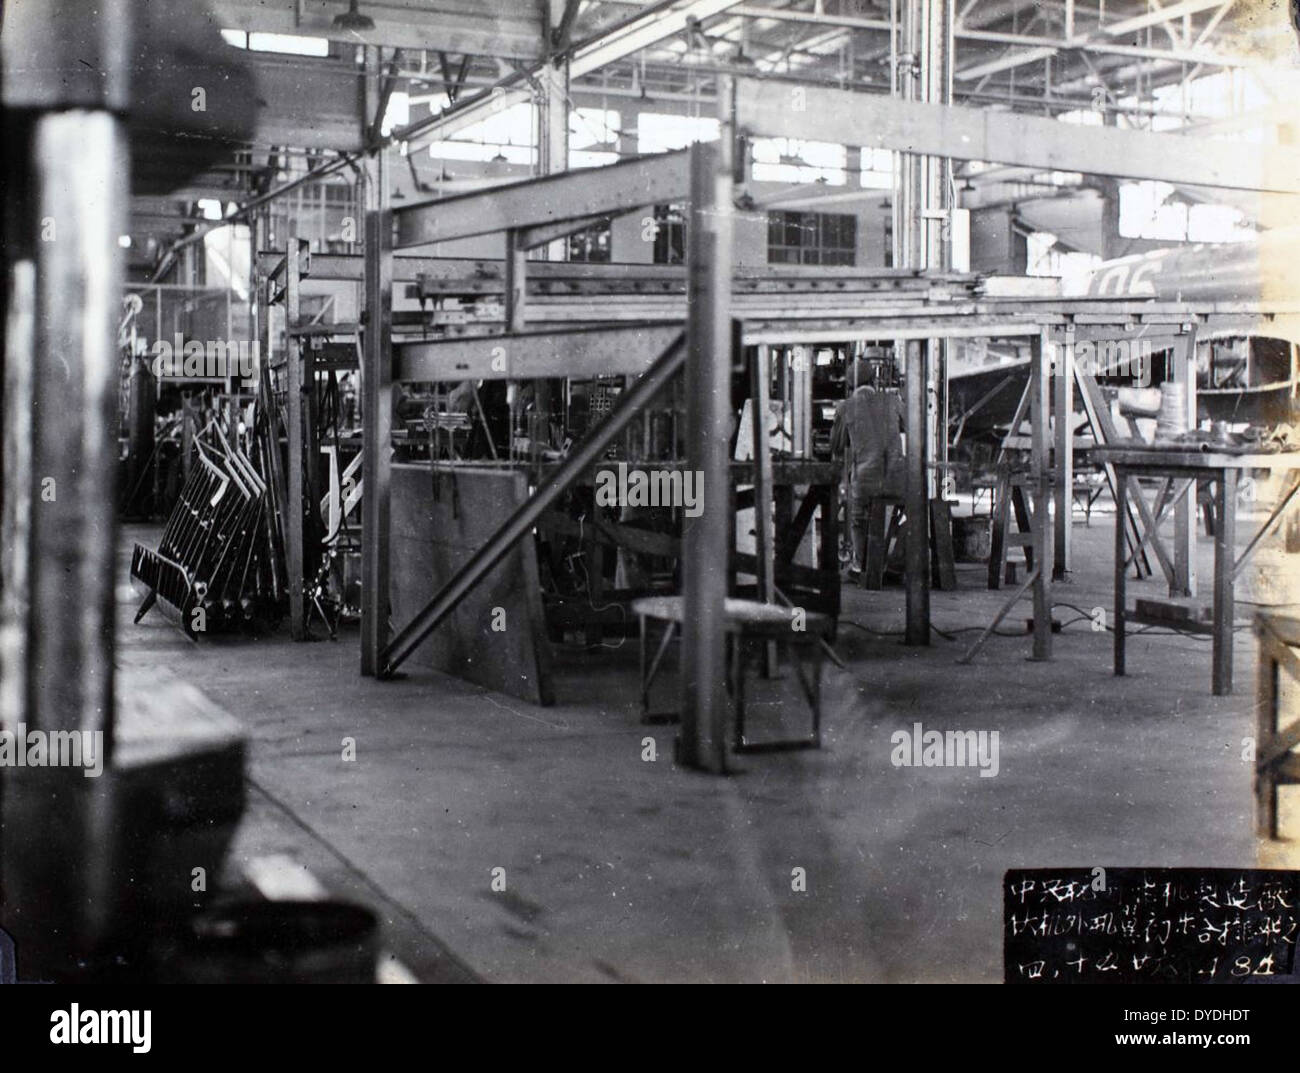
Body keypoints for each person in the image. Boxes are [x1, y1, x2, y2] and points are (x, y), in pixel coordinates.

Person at [830, 359, 905, 579]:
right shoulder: (892, 400)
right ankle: (895, 564)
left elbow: (836, 445)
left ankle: (860, 567)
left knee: (857, 518)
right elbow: (912, 424)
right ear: (874, 379)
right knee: (913, 514)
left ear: (851, 385)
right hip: (897, 477)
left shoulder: (846, 406)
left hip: (865, 479)